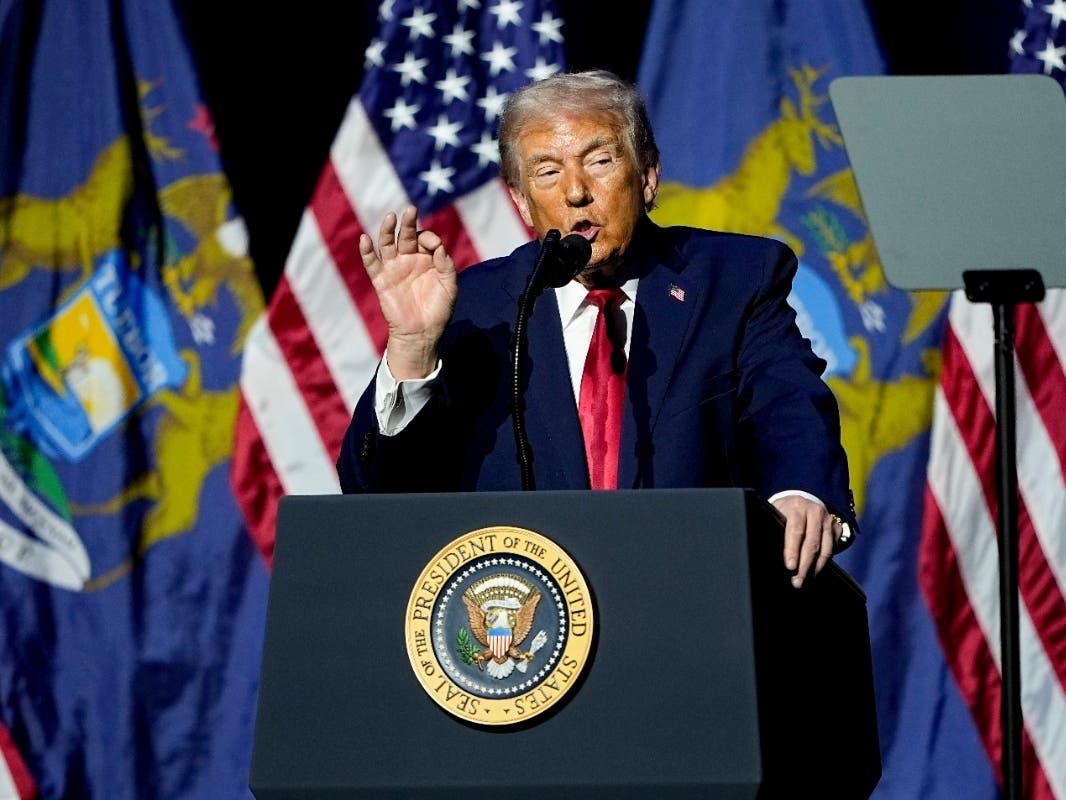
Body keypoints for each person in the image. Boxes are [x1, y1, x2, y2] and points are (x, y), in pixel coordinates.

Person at [336, 70, 857, 588]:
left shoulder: (734, 279)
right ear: (520, 201)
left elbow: (788, 401)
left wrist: (800, 491)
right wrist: (412, 349)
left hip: (693, 598)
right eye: (546, 172)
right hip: (526, 632)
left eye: (600, 161)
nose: (577, 192)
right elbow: (376, 494)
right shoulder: (476, 305)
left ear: (648, 175)